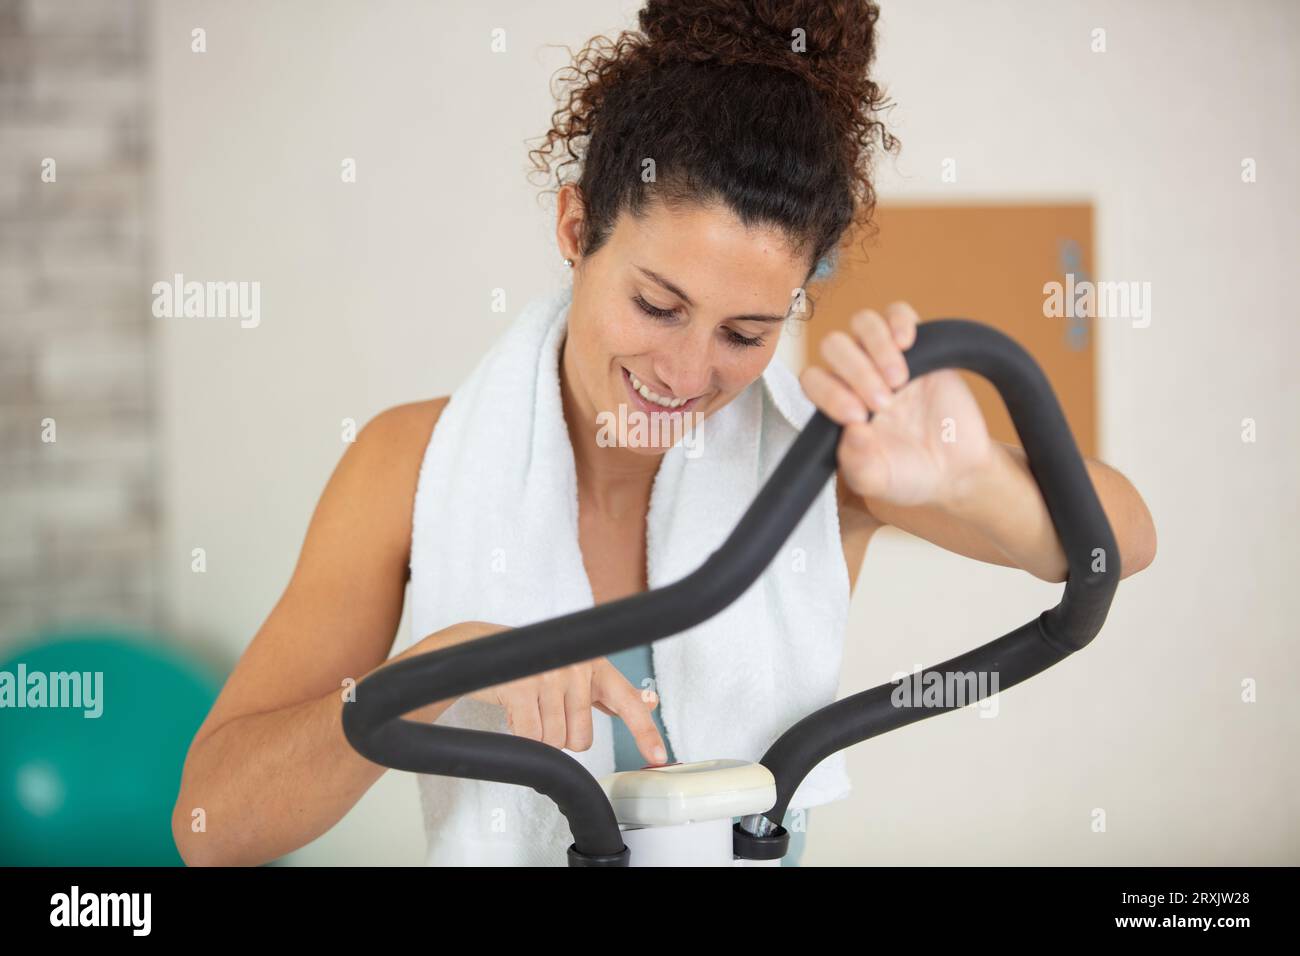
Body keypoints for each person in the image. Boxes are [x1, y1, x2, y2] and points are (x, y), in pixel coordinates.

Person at [173, 0, 1156, 868]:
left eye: (745, 332)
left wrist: (967, 475)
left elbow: (1123, 543)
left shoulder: (815, 467)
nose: (687, 374)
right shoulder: (406, 466)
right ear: (575, 227)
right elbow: (212, 822)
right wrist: (447, 664)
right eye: (655, 303)